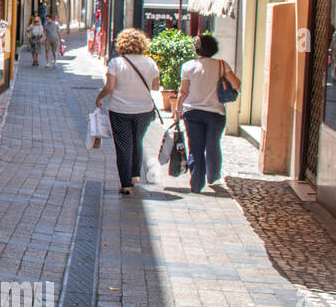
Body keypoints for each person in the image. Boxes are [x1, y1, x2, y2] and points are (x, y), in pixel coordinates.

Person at [95, 28, 160, 195]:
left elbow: (110, 87)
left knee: (124, 145)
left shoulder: (116, 63)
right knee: (137, 140)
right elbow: (155, 86)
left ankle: (126, 184)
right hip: (144, 109)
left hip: (120, 109)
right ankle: (135, 175)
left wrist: (99, 97)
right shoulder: (150, 63)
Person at [175, 33, 241, 194]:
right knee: (212, 145)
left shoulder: (188, 66)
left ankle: (196, 183)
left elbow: (183, 91)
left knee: (195, 148)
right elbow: (237, 84)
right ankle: (213, 176)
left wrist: (178, 110)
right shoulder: (221, 65)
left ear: (197, 49)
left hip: (193, 112)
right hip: (216, 113)